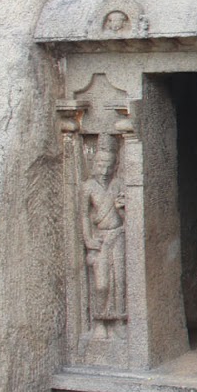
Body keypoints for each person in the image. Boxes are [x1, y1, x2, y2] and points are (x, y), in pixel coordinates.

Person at [83, 135, 128, 339]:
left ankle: (120, 319)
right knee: (102, 283)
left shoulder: (118, 184)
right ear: (94, 164)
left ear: (114, 165)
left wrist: (121, 209)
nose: (104, 170)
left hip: (118, 236)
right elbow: (83, 215)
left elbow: (127, 216)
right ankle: (100, 320)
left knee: (120, 280)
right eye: (100, 164)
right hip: (100, 238)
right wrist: (88, 240)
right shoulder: (88, 187)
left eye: (108, 165)